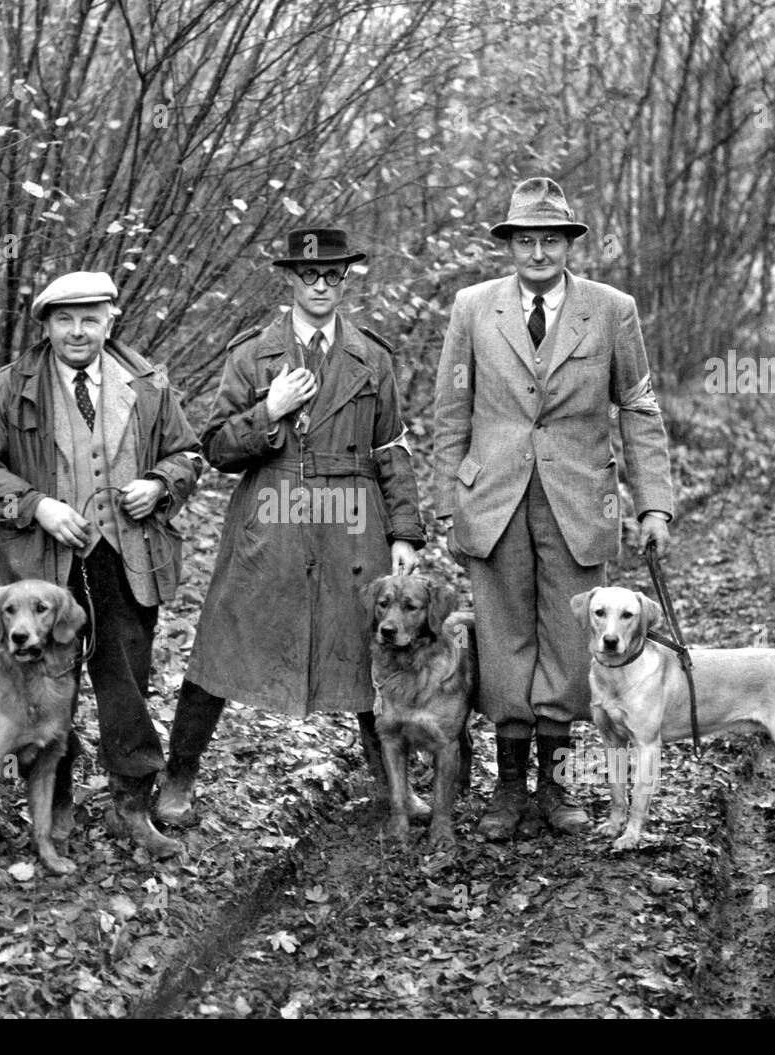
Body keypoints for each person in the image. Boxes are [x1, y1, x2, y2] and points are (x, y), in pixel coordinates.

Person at [155, 227, 426, 827]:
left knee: (371, 645)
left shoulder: (372, 356)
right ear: (290, 279)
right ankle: (179, 775)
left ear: (347, 278)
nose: (322, 286)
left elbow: (391, 446)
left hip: (353, 520)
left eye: (334, 275)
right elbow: (217, 449)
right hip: (272, 511)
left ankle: (392, 782)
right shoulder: (253, 353)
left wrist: (404, 532)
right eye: (310, 275)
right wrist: (269, 410)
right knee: (224, 638)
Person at [433, 178, 675, 841]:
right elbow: (451, 411)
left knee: (573, 645)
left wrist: (654, 504)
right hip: (495, 498)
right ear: (508, 245)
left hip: (579, 500)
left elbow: (641, 407)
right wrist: (446, 500)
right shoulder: (473, 308)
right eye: (525, 240)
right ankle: (509, 790)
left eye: (551, 239)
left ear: (569, 245)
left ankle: (558, 784)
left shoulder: (611, 309)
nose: (538, 252)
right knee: (504, 638)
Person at [0, 270, 203, 859]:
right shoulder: (9, 386)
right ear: (45, 325)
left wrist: (159, 484)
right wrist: (37, 505)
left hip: (127, 560)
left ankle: (131, 808)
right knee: (40, 690)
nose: (77, 331)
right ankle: (55, 807)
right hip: (42, 571)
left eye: (90, 318)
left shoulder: (147, 383)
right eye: (64, 319)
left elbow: (189, 453)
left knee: (128, 689)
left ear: (110, 321)